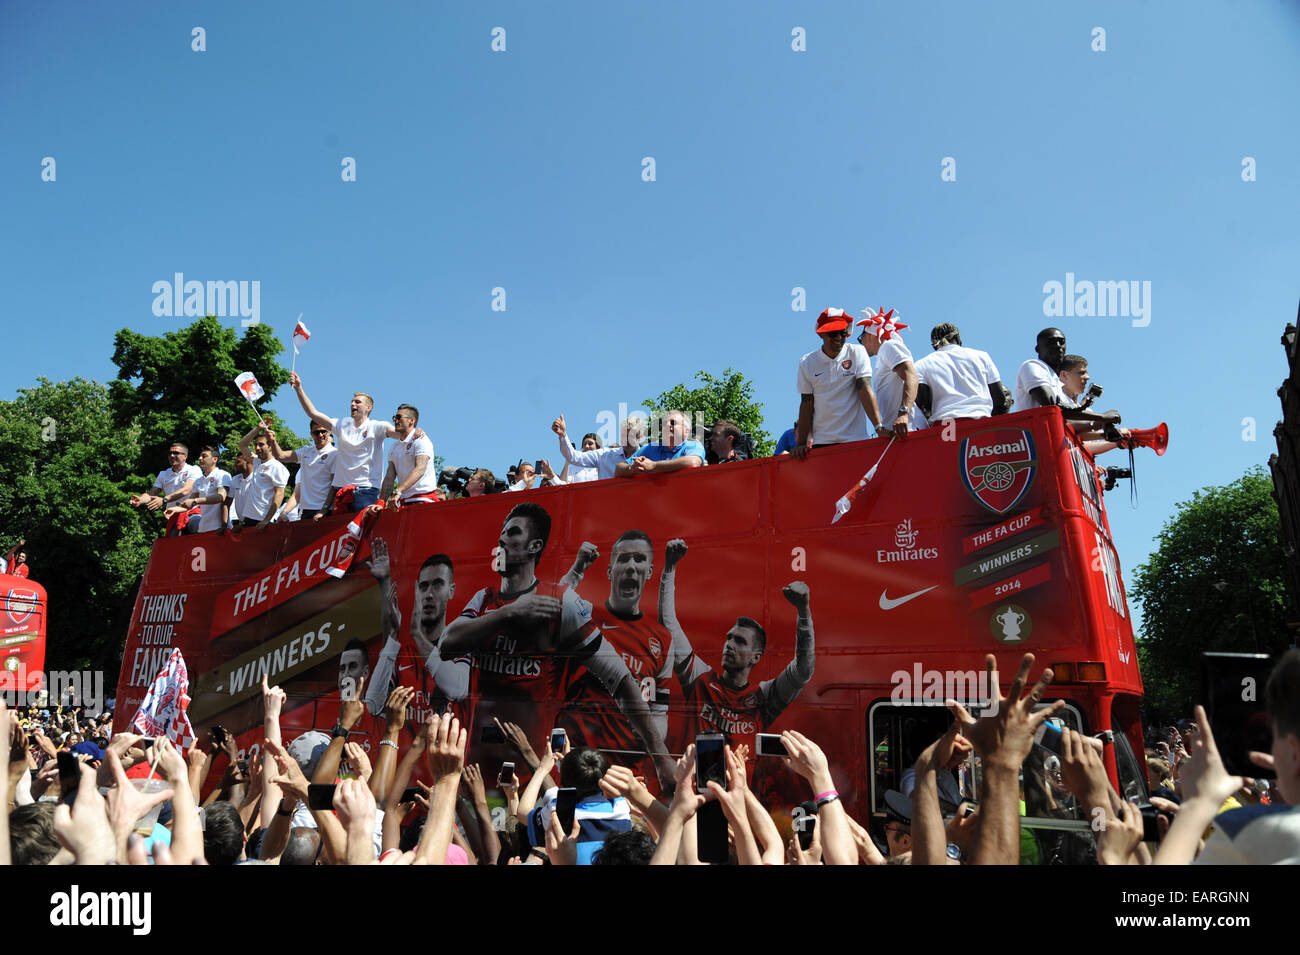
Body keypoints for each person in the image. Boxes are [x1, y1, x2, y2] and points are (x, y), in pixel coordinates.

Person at [440, 501, 676, 789]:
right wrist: (510, 612)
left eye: (512, 533)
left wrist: (661, 757)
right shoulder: (484, 600)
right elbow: (447, 644)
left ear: (534, 546)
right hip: (474, 776)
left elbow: (622, 679)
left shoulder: (560, 602)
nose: (502, 539)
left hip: (531, 781)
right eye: (501, 533)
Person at [555, 533, 701, 778]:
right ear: (610, 571)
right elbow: (557, 601)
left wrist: (652, 735)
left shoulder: (662, 640)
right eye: (623, 559)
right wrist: (578, 568)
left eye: (639, 559)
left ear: (650, 571)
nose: (631, 567)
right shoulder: (586, 616)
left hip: (626, 771)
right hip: (578, 762)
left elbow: (659, 710)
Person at [661, 540, 816, 753]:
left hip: (740, 787)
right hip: (693, 786)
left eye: (740, 641)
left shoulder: (763, 697)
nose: (729, 645)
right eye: (729, 638)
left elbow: (803, 670)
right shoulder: (701, 680)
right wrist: (669, 568)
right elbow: (669, 624)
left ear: (755, 657)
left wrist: (803, 612)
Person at [365, 539, 471, 723]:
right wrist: (392, 636)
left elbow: (457, 690)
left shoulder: (459, 645)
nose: (429, 594)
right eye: (423, 587)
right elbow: (373, 705)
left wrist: (418, 635)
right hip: (405, 752)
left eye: (438, 584)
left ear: (451, 591)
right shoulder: (404, 653)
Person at [287, 372, 421, 512]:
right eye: (352, 401)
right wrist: (298, 388)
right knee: (341, 534)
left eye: (358, 402)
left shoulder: (377, 427)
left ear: (369, 408)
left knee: (363, 533)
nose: (353, 404)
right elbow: (313, 414)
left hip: (366, 491)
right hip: (341, 492)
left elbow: (402, 432)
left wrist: (415, 431)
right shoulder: (341, 425)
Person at [792, 308, 883, 458]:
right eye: (833, 333)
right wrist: (801, 444)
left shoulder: (857, 352)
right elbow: (806, 404)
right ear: (821, 334)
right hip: (822, 444)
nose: (839, 337)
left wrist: (879, 427)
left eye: (842, 332)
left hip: (856, 440)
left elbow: (864, 388)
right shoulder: (807, 363)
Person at [525, 748, 632, 865]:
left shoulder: (557, 810)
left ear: (562, 782)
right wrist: (572, 766)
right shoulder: (621, 806)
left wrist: (542, 770)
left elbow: (523, 812)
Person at [913, 323, 1008, 422]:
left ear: (934, 346)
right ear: (958, 338)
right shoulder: (982, 356)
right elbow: (999, 399)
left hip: (945, 428)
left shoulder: (921, 364)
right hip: (981, 422)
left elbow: (923, 405)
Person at [856, 308, 926, 436]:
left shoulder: (889, 346)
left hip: (908, 428)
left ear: (871, 334)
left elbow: (911, 376)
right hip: (900, 430)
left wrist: (903, 413)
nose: (862, 343)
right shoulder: (884, 353)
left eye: (861, 338)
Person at [265, 419, 336, 520]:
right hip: (305, 510)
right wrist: (273, 441)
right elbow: (280, 456)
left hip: (324, 511)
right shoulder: (306, 451)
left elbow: (334, 486)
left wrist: (324, 509)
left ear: (329, 432)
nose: (320, 435)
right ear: (311, 434)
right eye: (316, 432)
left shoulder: (335, 454)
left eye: (323, 431)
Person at [553, 413, 644, 481]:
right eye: (623, 436)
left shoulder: (649, 456)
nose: (626, 440)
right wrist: (563, 435)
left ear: (640, 437)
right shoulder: (604, 455)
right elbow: (573, 457)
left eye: (630, 436)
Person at [379, 404, 438, 507]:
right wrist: (381, 502)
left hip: (423, 499)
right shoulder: (394, 447)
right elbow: (389, 477)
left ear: (412, 420)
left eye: (399, 417)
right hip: (403, 500)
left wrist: (398, 491)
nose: (395, 420)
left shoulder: (421, 440)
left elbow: (420, 469)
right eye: (394, 417)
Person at [615, 410, 705, 477]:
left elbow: (693, 462)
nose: (668, 425)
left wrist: (654, 466)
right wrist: (632, 467)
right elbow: (618, 469)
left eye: (673, 423)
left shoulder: (693, 445)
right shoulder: (651, 448)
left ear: (686, 431)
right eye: (665, 423)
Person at [165, 445, 231, 534]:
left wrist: (196, 501)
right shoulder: (198, 481)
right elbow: (190, 503)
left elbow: (221, 497)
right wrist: (175, 509)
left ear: (215, 459)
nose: (200, 458)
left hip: (220, 529)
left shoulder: (222, 475)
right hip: (202, 529)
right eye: (200, 456)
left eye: (204, 456)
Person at [235, 426, 290, 528]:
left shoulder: (277, 467)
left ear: (270, 447)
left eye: (261, 445)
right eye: (255, 445)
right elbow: (242, 445)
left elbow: (279, 495)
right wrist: (257, 429)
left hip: (264, 521)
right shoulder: (256, 461)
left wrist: (266, 520)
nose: (257, 448)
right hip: (249, 520)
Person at [129, 442, 201, 516]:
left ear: (185, 456)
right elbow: (152, 493)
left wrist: (164, 500)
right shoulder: (163, 474)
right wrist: (141, 500)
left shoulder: (194, 469)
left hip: (192, 513)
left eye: (176, 453)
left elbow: (186, 490)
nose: (172, 455)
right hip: (172, 515)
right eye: (170, 453)